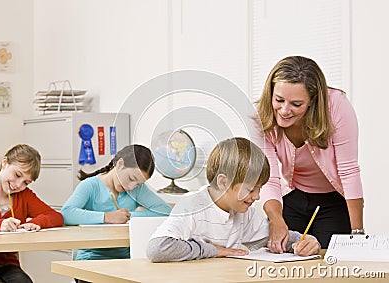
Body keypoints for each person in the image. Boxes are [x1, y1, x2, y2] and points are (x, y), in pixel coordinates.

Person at [147, 137, 320, 262]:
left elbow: (275, 239)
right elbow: (157, 249)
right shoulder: (193, 206)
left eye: (260, 189)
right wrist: (213, 250)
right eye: (251, 189)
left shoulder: (244, 213)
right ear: (222, 182)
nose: (257, 196)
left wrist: (306, 243)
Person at [256, 55, 364, 251]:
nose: (284, 110)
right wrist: (276, 220)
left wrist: (357, 235)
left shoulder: (337, 106)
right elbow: (269, 179)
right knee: (283, 254)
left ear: (312, 100)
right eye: (279, 100)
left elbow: (349, 172)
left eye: (296, 104)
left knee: (324, 257)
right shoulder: (262, 119)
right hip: (293, 196)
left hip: (333, 201)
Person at [61, 144, 171, 263]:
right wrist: (107, 217)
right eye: (131, 178)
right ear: (120, 164)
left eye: (138, 184)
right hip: (91, 259)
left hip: (126, 260)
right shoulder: (90, 186)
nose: (131, 187)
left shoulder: (136, 189)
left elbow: (165, 211)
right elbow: (66, 214)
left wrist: (129, 217)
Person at [0, 144, 64, 283]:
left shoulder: (24, 196)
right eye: (17, 175)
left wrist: (35, 223)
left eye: (26, 182)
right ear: (4, 162)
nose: (18, 185)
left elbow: (56, 217)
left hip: (7, 264)